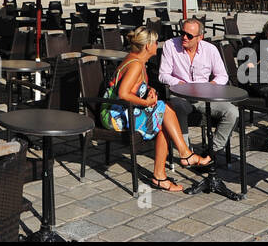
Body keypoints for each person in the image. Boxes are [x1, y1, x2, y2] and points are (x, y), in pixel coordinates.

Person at [103, 26, 212, 193]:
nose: (157, 45)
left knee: (163, 118)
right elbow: (123, 93)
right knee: (166, 108)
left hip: (125, 110)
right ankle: (184, 154)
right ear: (147, 46)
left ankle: (161, 175)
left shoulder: (135, 59)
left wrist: (148, 90)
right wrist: (146, 103)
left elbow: (133, 88)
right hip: (116, 116)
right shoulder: (136, 65)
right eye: (155, 43)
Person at [157, 18, 241, 200]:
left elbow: (222, 76)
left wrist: (209, 87)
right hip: (180, 95)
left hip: (205, 97)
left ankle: (211, 152)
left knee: (233, 112)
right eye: (182, 33)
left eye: (189, 35)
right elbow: (163, 75)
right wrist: (179, 83)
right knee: (176, 107)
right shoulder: (171, 46)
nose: (184, 37)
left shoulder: (210, 50)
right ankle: (187, 153)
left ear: (200, 37)